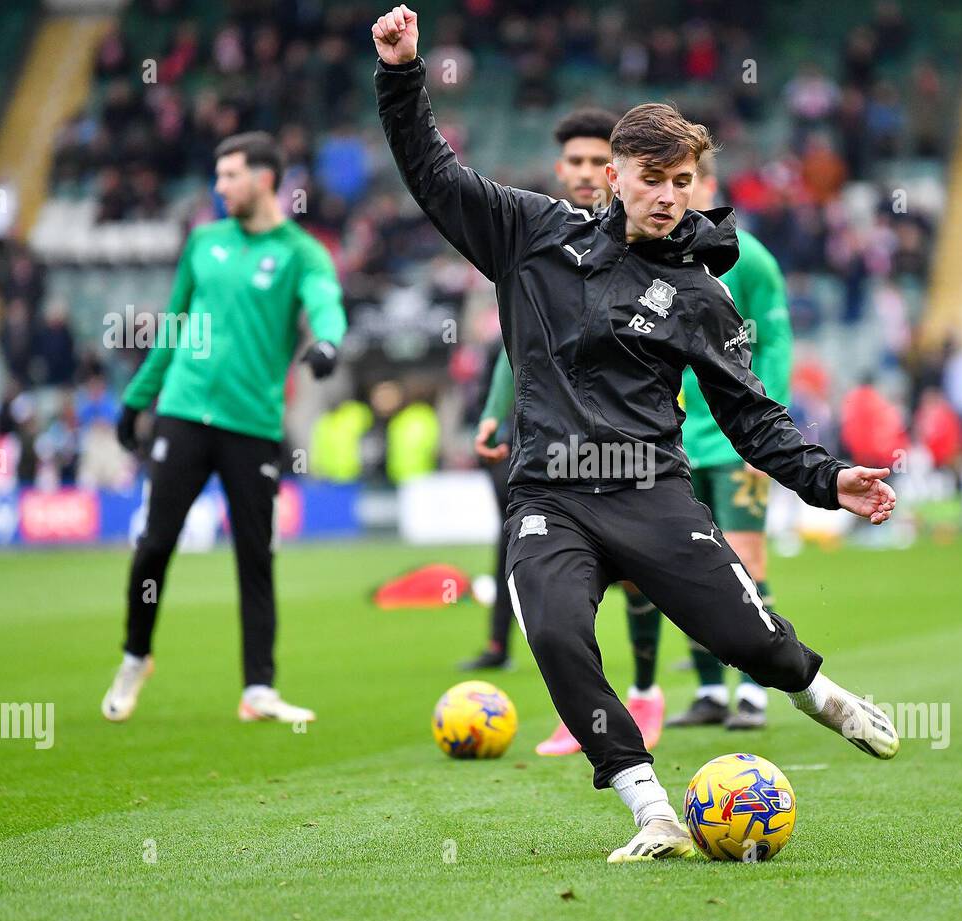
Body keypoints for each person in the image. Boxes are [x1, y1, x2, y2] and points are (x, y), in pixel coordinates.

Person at [373, 6, 899, 864]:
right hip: (550, 494)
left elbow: (750, 413)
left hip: (651, 490)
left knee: (746, 642)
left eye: (683, 179)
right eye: (652, 176)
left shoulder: (702, 295)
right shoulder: (529, 234)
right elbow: (432, 174)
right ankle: (651, 807)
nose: (667, 193)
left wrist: (825, 477)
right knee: (552, 632)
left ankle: (820, 693)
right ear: (612, 174)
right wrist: (401, 74)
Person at [102, 131, 347, 724]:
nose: (218, 186)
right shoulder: (203, 242)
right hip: (184, 413)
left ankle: (258, 689)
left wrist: (329, 342)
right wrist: (137, 401)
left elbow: (326, 301)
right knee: (154, 545)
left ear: (264, 179)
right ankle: (135, 656)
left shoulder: (300, 251)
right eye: (218, 175)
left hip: (252, 424)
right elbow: (174, 323)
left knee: (254, 556)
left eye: (229, 175)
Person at [471, 107, 668, 756]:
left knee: (642, 573)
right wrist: (498, 409)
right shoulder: (540, 239)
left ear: (617, 171)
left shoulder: (645, 244)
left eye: (596, 163)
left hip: (639, 433)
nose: (586, 174)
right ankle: (593, 708)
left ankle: (645, 692)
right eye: (575, 163)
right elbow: (521, 343)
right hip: (554, 443)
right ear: (562, 169)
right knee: (561, 575)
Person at [667, 149, 794, 731]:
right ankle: (711, 691)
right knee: (686, 564)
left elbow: (776, 347)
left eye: (687, 180)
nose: (676, 193)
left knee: (746, 558)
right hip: (674, 440)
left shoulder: (753, 261)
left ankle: (754, 692)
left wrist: (772, 432)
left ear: (710, 185)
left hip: (736, 441)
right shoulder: (657, 256)